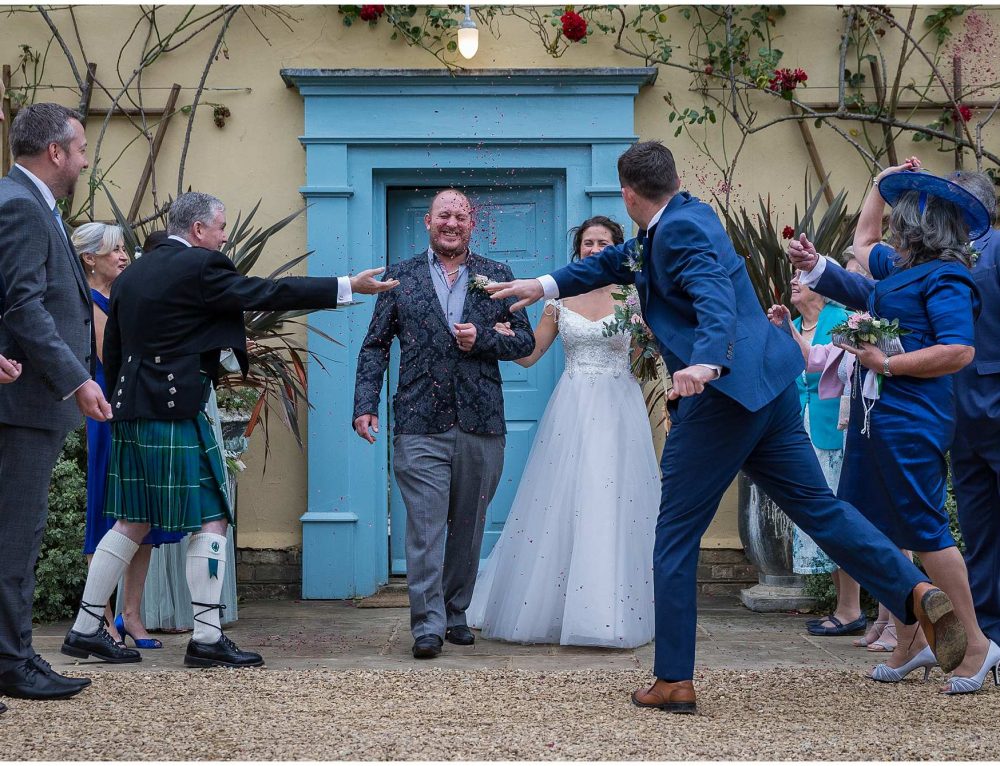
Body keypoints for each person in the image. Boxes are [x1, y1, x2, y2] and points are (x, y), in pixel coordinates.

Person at [489, 140, 965, 714]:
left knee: (674, 534)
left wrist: (708, 362)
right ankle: (913, 590)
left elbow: (712, 294)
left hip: (720, 396)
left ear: (628, 195)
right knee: (819, 507)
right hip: (770, 388)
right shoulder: (684, 218)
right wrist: (540, 285)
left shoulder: (679, 234)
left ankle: (673, 680)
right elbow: (613, 263)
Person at [61, 191, 397, 668]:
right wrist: (346, 286)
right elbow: (266, 292)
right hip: (175, 410)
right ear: (198, 230)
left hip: (133, 409)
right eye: (219, 228)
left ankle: (85, 626)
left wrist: (121, 405)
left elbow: (112, 349)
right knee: (212, 515)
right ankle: (205, 636)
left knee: (132, 519)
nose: (223, 238)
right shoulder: (200, 265)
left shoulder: (133, 273)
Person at [790, 157, 1000, 694]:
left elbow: (958, 350)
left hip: (913, 417)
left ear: (918, 228)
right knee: (869, 523)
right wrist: (880, 185)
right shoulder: (899, 269)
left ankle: (977, 644)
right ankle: (911, 637)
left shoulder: (947, 276)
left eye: (899, 218)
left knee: (924, 528)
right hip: (873, 416)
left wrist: (887, 363)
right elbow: (861, 243)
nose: (890, 228)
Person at [353, 189, 535, 660]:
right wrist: (365, 404)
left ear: (472, 223)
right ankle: (427, 625)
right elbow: (375, 346)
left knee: (468, 528)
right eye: (443, 215)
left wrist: (484, 339)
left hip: (481, 421)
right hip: (419, 421)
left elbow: (525, 343)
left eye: (460, 216)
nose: (451, 223)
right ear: (428, 223)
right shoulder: (401, 277)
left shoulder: (497, 275)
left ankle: (456, 613)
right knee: (425, 528)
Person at [467, 216, 659, 648]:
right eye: (588, 243)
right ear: (578, 249)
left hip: (619, 405)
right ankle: (554, 607)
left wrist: (650, 336)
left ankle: (612, 612)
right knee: (567, 497)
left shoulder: (632, 295)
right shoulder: (559, 297)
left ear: (617, 250)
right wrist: (500, 338)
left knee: (614, 497)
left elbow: (647, 355)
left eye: (603, 243)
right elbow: (531, 355)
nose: (594, 249)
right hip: (572, 406)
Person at [0, 103, 112, 703]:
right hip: (23, 404)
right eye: (83, 149)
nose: (86, 161)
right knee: (15, 537)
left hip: (27, 400)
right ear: (55, 152)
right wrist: (77, 379)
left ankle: (14, 656)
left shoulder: (28, 203)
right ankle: (12, 662)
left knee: (18, 535)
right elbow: (23, 306)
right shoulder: (21, 205)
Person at [74, 223, 185, 649]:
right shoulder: (90, 302)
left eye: (124, 248)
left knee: (142, 514)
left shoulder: (125, 294)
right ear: (90, 259)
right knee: (108, 513)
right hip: (107, 412)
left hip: (134, 406)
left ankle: (132, 614)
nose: (124, 256)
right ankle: (101, 620)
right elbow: (112, 358)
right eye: (114, 250)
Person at [946, 170, 1000, 654]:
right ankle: (987, 633)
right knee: (978, 529)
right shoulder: (938, 259)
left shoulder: (997, 249)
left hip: (995, 402)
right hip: (958, 415)